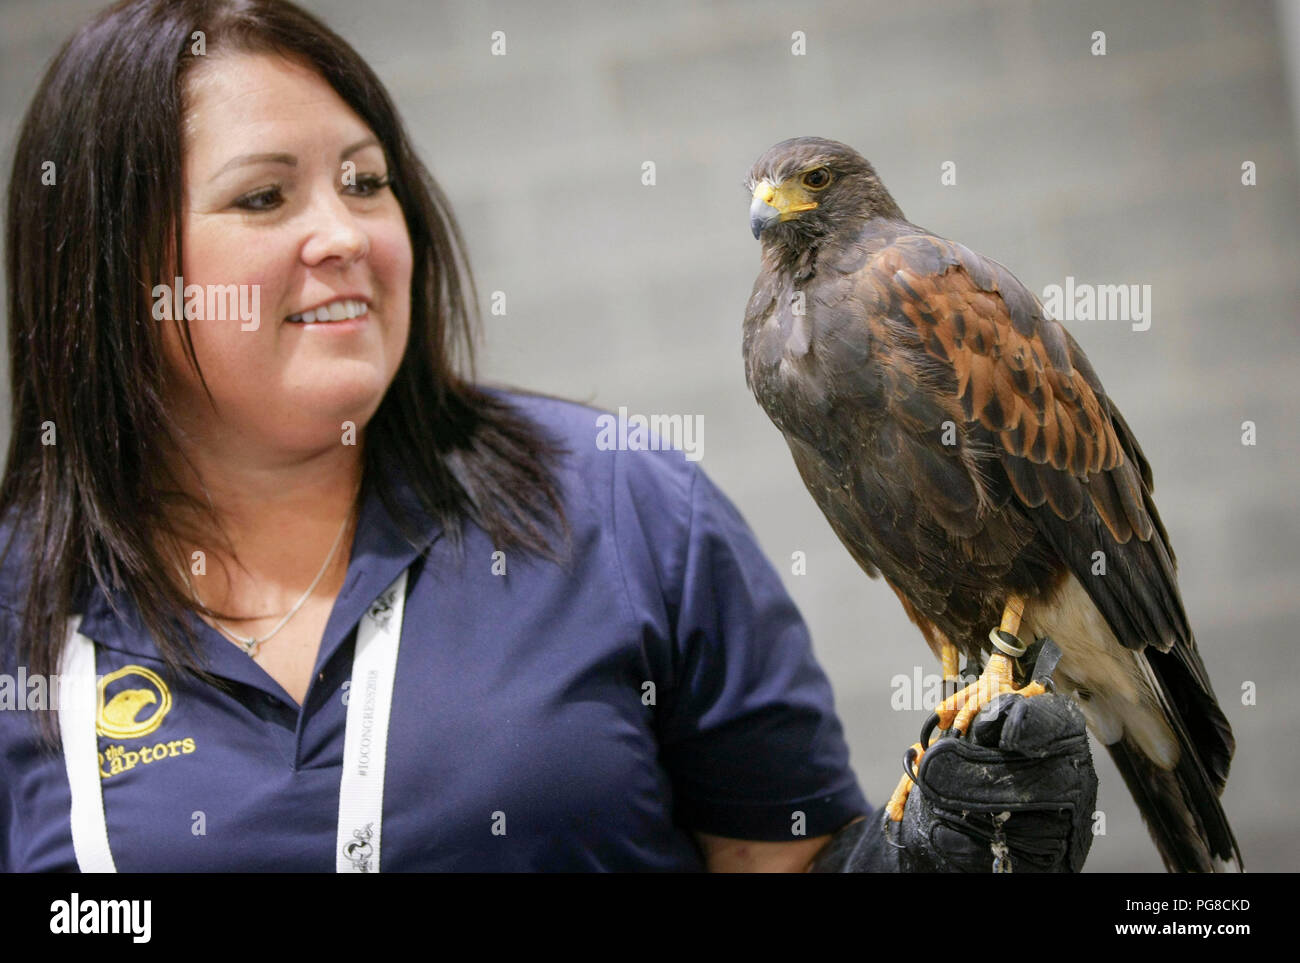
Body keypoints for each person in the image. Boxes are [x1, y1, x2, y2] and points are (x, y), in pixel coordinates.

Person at [0, 0, 1095, 873]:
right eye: (261, 198)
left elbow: (790, 861)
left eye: (365, 182)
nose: (343, 232)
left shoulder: (622, 505)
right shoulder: (19, 610)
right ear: (113, 266)